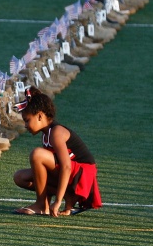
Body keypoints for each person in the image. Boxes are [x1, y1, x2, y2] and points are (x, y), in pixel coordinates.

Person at [12, 88, 101, 216]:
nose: (25, 125)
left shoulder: (56, 132)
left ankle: (41, 205)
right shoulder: (46, 134)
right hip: (72, 174)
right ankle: (60, 199)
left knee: (37, 154)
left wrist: (58, 201)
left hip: (82, 176)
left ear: (40, 116)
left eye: (27, 120)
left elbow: (66, 166)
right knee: (20, 177)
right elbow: (47, 170)